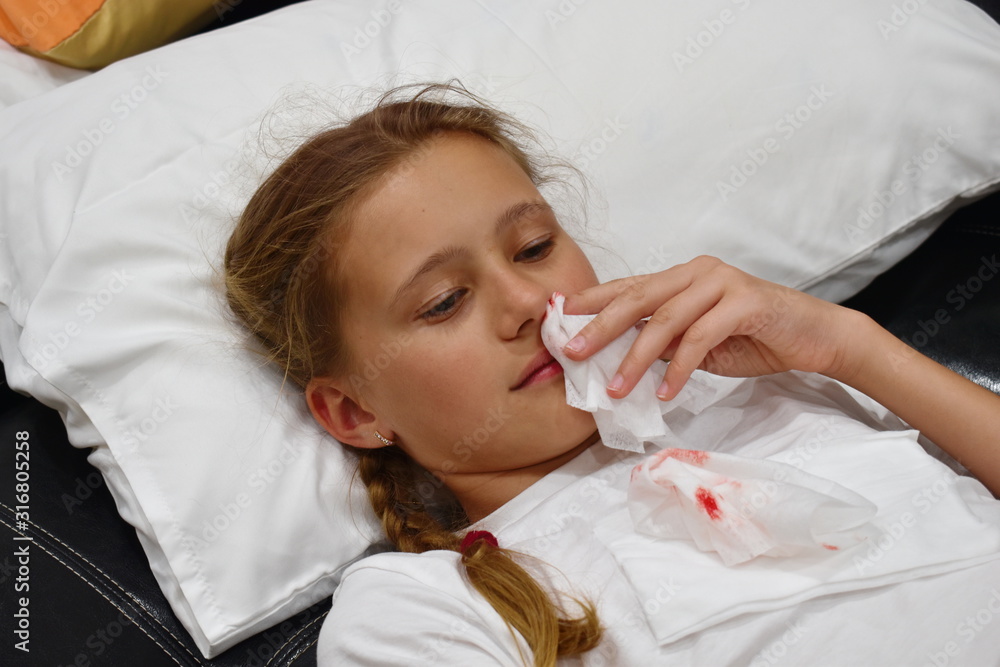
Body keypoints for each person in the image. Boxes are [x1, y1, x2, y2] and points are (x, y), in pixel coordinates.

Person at [224, 83, 1000, 666]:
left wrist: (847, 345)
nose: (531, 300)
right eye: (445, 300)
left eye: (533, 247)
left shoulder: (773, 385)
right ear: (355, 414)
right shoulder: (421, 610)